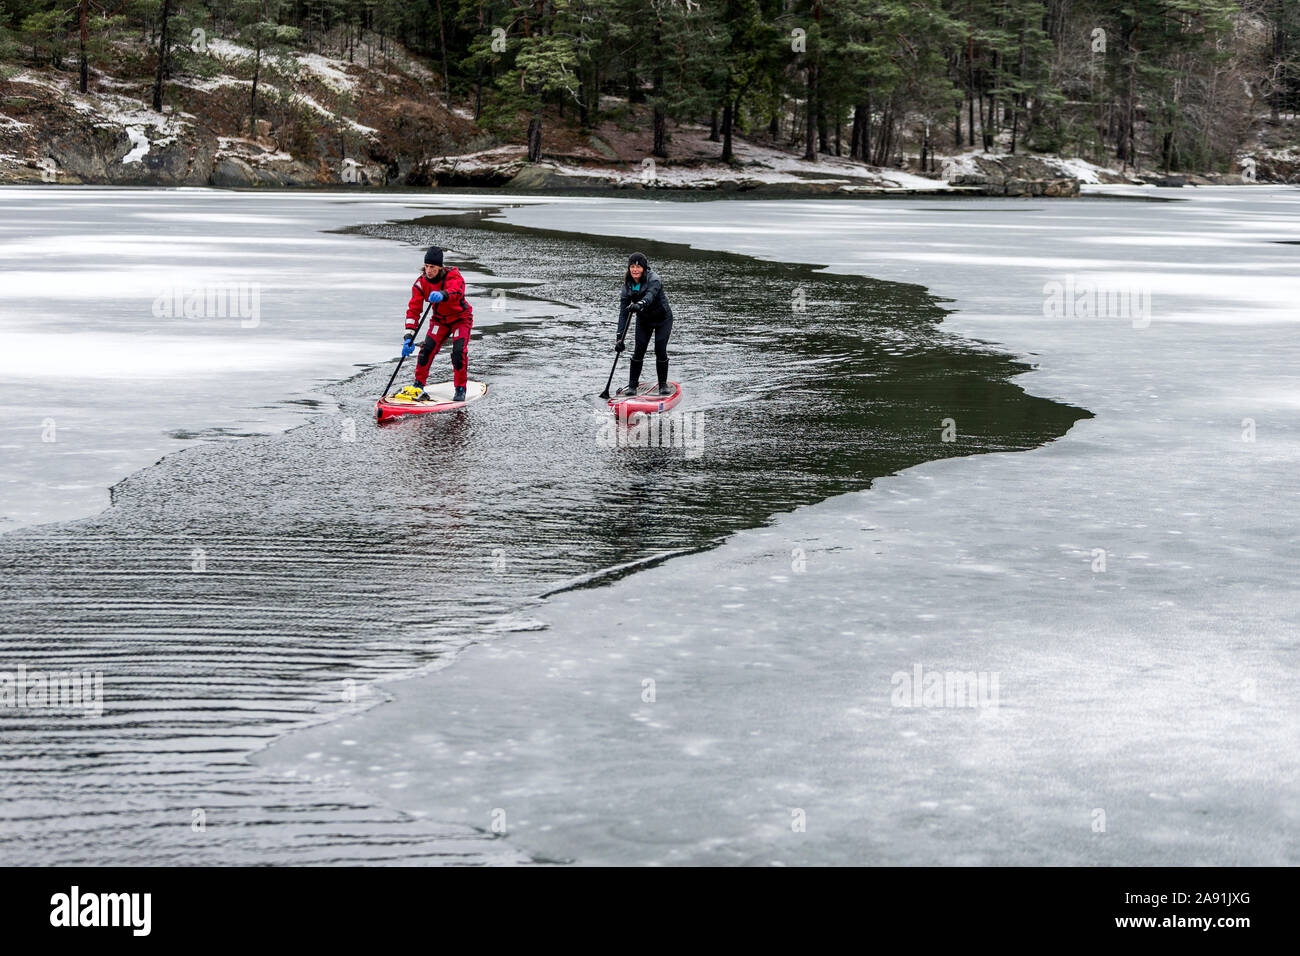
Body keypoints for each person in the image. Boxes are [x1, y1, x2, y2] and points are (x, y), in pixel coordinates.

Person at [398, 246, 473, 402]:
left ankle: (460, 388)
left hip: (460, 319)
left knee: (458, 352)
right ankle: (418, 385)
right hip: (440, 320)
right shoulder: (420, 284)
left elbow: (457, 291)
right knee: (426, 350)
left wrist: (442, 294)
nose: (429, 270)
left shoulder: (453, 276)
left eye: (432, 267)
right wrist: (408, 336)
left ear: (440, 267)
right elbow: (413, 311)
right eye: (426, 266)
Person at [615, 252, 674, 396]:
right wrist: (619, 337)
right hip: (644, 320)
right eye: (632, 267)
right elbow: (623, 313)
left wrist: (640, 304)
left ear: (644, 268)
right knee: (639, 350)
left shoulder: (654, 279)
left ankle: (663, 386)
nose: (635, 270)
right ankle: (632, 387)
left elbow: (650, 296)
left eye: (638, 267)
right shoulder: (627, 286)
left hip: (663, 319)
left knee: (660, 349)